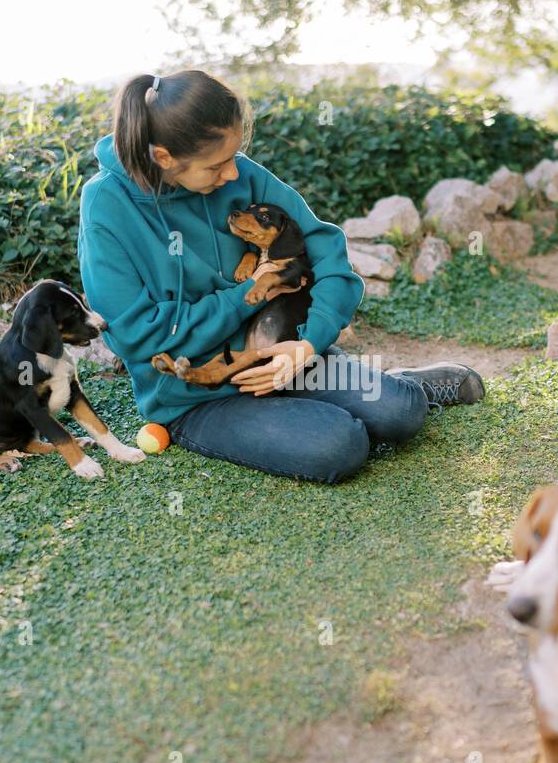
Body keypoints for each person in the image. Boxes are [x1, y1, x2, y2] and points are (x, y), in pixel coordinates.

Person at [78, 69, 484, 484]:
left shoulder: (241, 174)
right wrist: (247, 294)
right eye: (217, 166)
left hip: (287, 355)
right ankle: (343, 407)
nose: (233, 176)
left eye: (234, 158)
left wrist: (308, 344)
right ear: (163, 157)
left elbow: (326, 253)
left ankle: (394, 388)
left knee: (400, 411)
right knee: (339, 445)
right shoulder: (106, 206)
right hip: (197, 395)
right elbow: (136, 333)